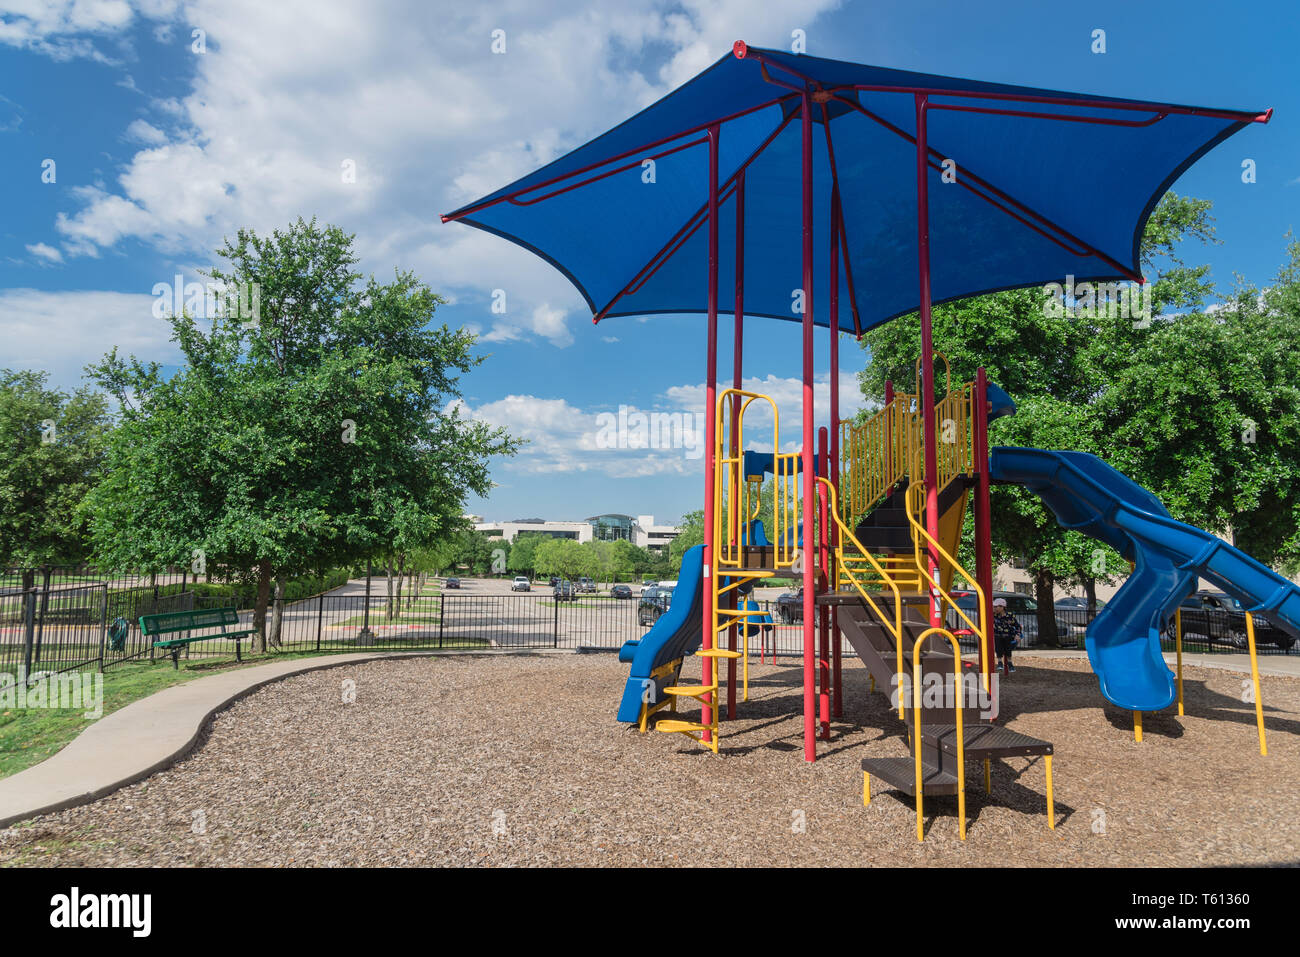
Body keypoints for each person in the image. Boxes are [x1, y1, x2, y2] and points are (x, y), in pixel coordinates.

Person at [992, 597, 1021, 675]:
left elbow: (1017, 626)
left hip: (1008, 635)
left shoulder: (1010, 615)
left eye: (996, 607)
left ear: (1002, 607)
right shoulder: (993, 616)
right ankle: (1000, 662)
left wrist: (1017, 634)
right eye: (994, 607)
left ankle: (1010, 663)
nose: (994, 609)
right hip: (998, 635)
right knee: (998, 645)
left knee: (1008, 648)